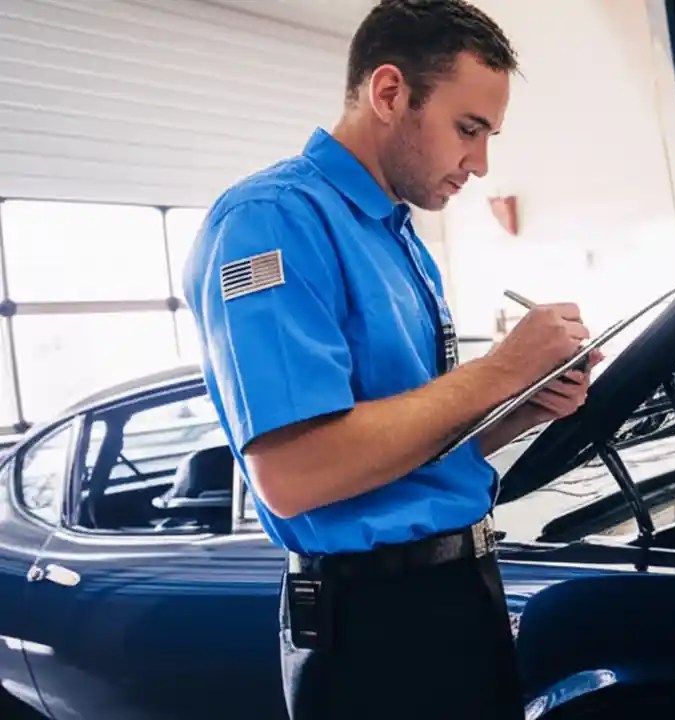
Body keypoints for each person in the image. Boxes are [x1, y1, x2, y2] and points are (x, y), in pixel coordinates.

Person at [182, 1, 599, 717]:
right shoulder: (271, 221)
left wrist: (519, 404)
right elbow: (295, 473)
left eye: (490, 135)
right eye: (468, 130)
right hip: (372, 625)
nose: (480, 162)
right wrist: (498, 370)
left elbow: (411, 445)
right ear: (388, 93)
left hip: (458, 594)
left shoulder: (400, 238)